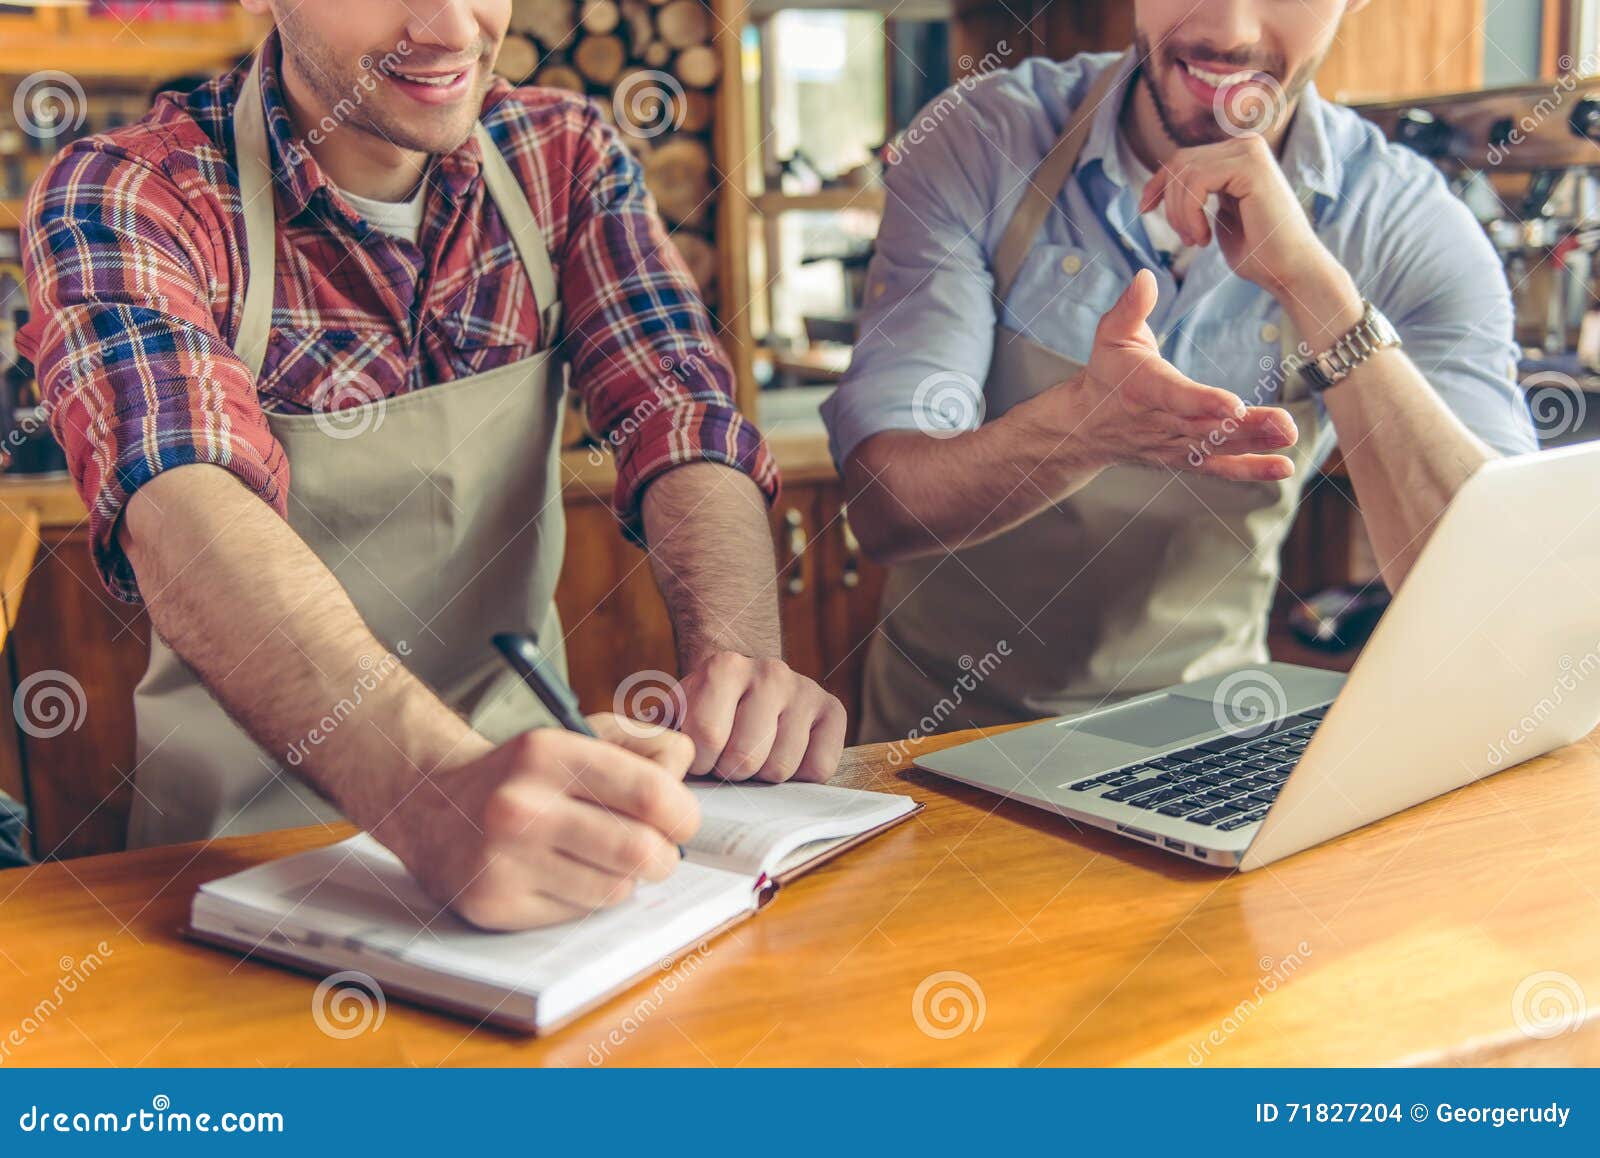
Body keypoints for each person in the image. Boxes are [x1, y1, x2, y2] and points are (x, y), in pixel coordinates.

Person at [18, 0, 845, 931]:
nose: (454, 31)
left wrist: (739, 656)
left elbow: (678, 406)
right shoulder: (133, 189)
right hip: (237, 864)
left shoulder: (561, 157)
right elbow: (183, 504)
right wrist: (436, 793)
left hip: (542, 843)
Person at [822, 0, 1538, 741]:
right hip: (937, 746)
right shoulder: (985, 139)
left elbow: (1496, 595)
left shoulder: (1401, 221)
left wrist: (1317, 292)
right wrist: (1085, 430)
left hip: (1206, 744)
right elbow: (885, 510)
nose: (1229, 32)